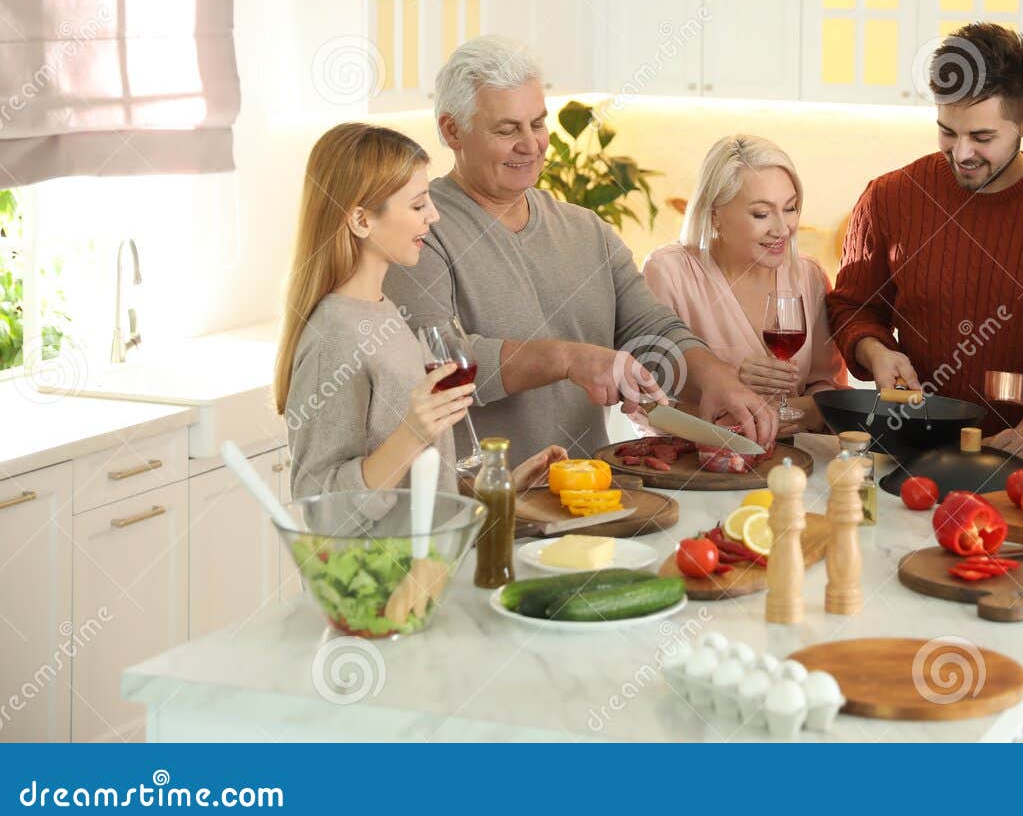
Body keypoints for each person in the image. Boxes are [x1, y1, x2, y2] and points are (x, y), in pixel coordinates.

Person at [384, 36, 775, 469]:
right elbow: (435, 366)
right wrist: (568, 359)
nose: (531, 145)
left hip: (590, 490)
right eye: (507, 129)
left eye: (537, 123)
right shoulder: (422, 231)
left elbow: (650, 324)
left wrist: (713, 375)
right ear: (451, 130)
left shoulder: (585, 229)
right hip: (484, 496)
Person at [827, 23, 1023, 460]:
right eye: (948, 131)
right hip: (909, 450)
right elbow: (853, 306)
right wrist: (876, 352)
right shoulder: (890, 197)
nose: (962, 153)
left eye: (982, 138)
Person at [275, 124, 565, 512]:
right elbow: (322, 509)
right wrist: (412, 433)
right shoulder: (333, 335)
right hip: (384, 574)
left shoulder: (383, 310)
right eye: (417, 205)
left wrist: (503, 488)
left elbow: (412, 492)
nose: (433, 215)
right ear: (361, 220)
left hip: (431, 566)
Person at [638, 135, 846, 436]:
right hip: (694, 469)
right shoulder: (668, 271)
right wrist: (728, 391)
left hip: (793, 466)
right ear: (715, 214)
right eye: (761, 214)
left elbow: (830, 393)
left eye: (790, 208)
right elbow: (646, 401)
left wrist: (781, 416)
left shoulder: (809, 275)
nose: (782, 229)